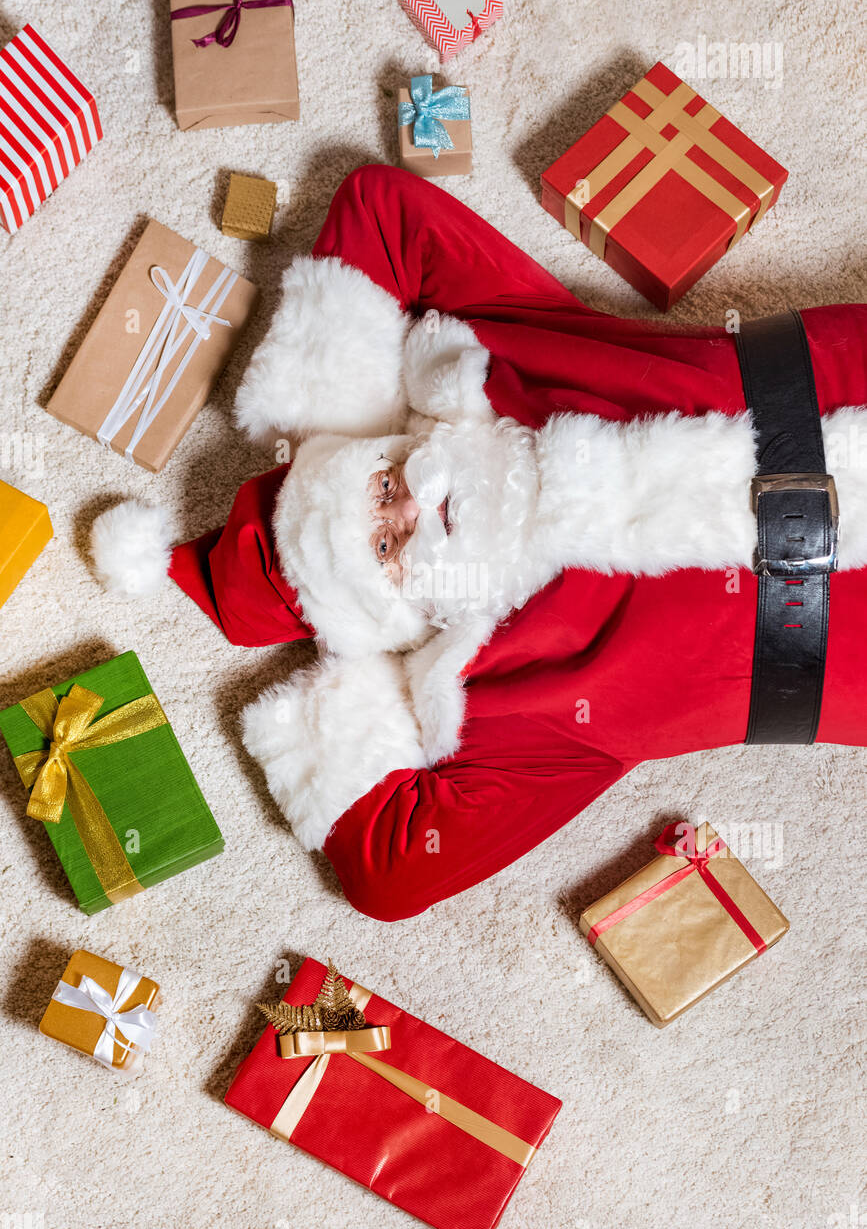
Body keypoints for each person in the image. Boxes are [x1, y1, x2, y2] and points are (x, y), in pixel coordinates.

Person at [91, 164, 867, 921]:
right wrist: (374, 696)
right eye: (385, 554)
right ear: (397, 622)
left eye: (385, 487)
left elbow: (379, 206)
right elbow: (385, 877)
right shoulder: (495, 709)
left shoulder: (485, 369)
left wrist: (337, 405)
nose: (421, 513)